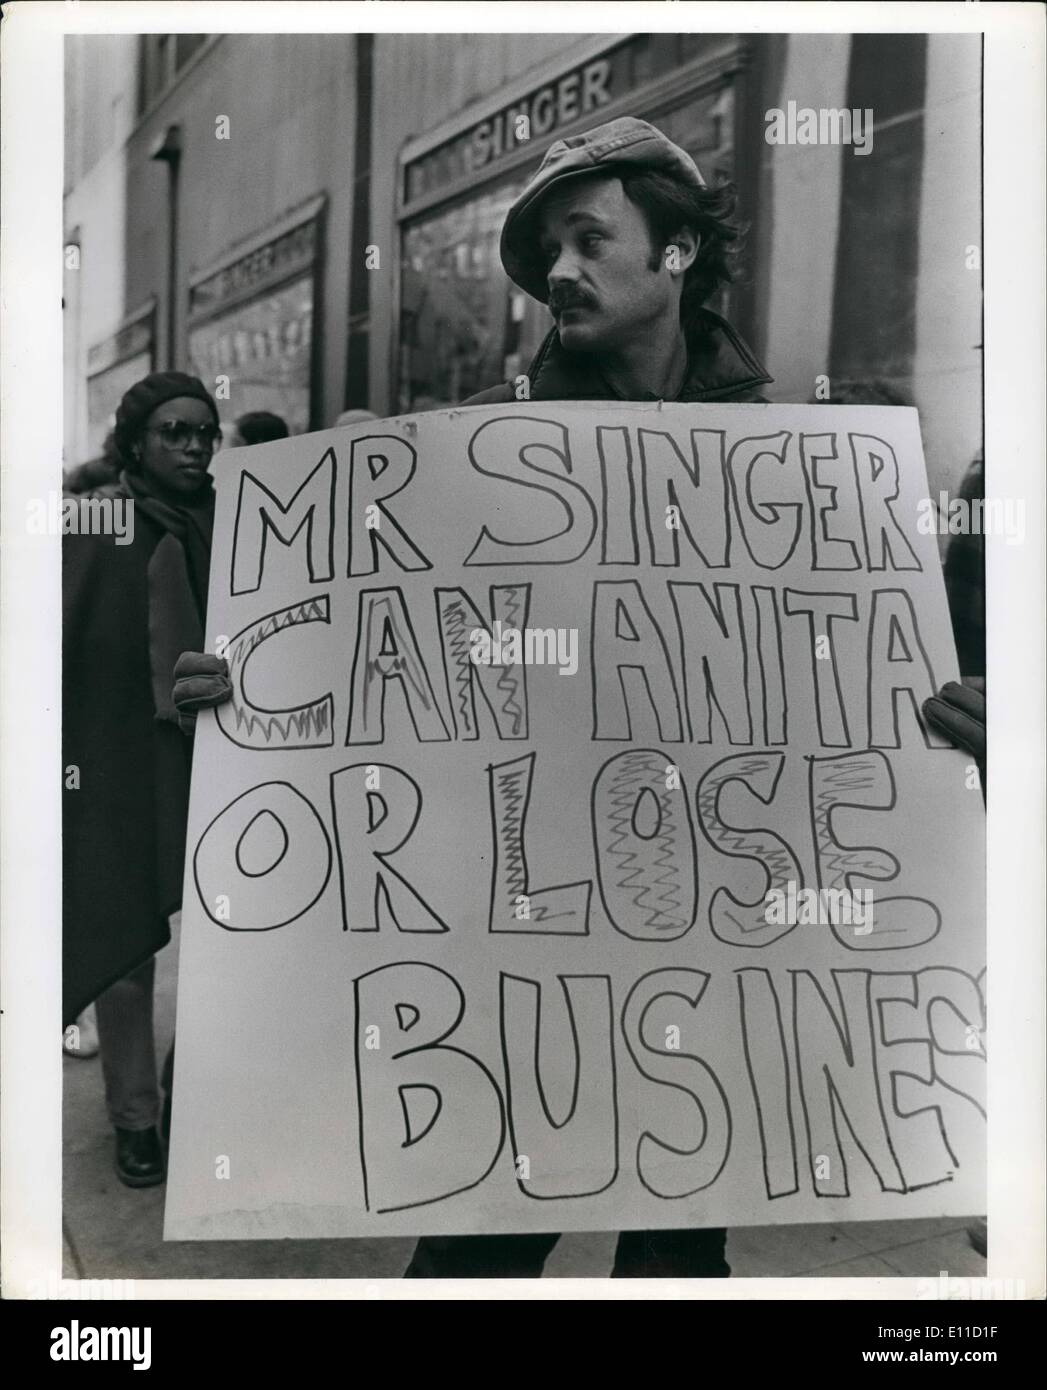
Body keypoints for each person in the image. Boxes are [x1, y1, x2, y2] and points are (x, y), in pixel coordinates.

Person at [173, 116, 986, 1274]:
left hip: (719, 956)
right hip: (526, 952)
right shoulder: (481, 460)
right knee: (471, 1265)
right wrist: (246, 686)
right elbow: (401, 666)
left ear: (679, 253)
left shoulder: (799, 463)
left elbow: (858, 683)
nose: (557, 272)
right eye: (546, 250)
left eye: (590, 238)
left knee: (677, 1264)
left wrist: (959, 724)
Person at [63, 371, 223, 1187]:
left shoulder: (246, 523)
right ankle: (137, 1118)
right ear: (135, 443)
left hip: (232, 755)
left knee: (238, 936)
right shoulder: (87, 525)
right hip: (124, 757)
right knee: (125, 940)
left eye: (204, 431)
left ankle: (197, 1095)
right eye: (174, 432)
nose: (194, 446)